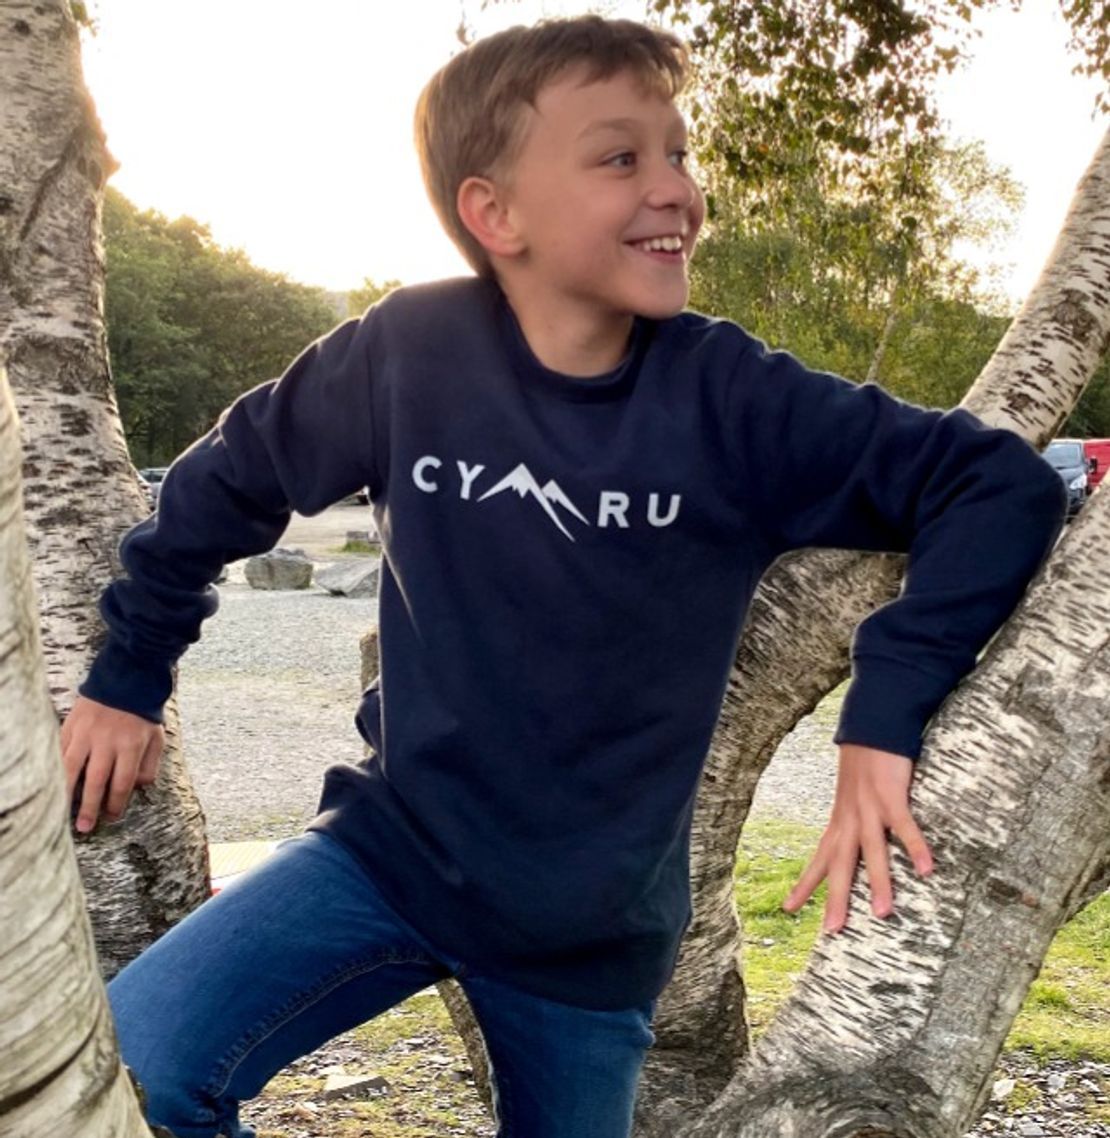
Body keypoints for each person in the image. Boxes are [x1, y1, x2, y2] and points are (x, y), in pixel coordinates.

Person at [61, 16, 1065, 1138]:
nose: (675, 189)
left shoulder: (734, 400)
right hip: (392, 854)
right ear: (496, 214)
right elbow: (223, 483)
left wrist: (883, 716)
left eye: (678, 153)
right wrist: (128, 676)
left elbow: (997, 486)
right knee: (138, 1069)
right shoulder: (407, 354)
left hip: (590, 937)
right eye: (620, 157)